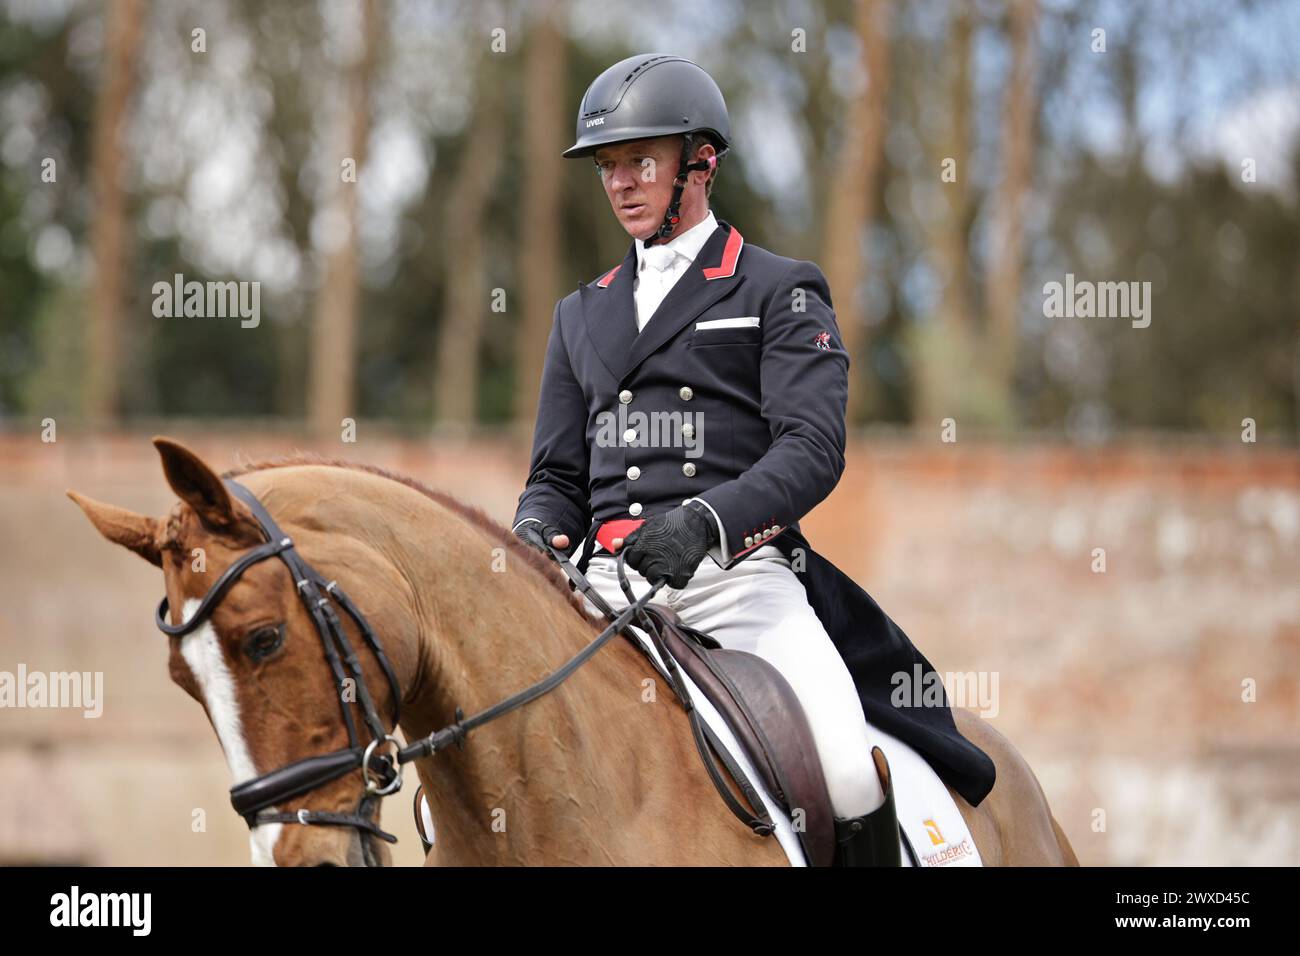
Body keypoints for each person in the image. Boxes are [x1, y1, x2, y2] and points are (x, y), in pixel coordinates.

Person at [513, 54, 995, 866]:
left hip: (736, 584)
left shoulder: (775, 288)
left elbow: (812, 447)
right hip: (598, 590)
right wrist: (533, 534)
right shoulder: (578, 313)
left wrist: (707, 523)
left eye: (641, 160)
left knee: (845, 770)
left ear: (699, 161)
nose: (622, 183)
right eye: (607, 166)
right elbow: (558, 476)